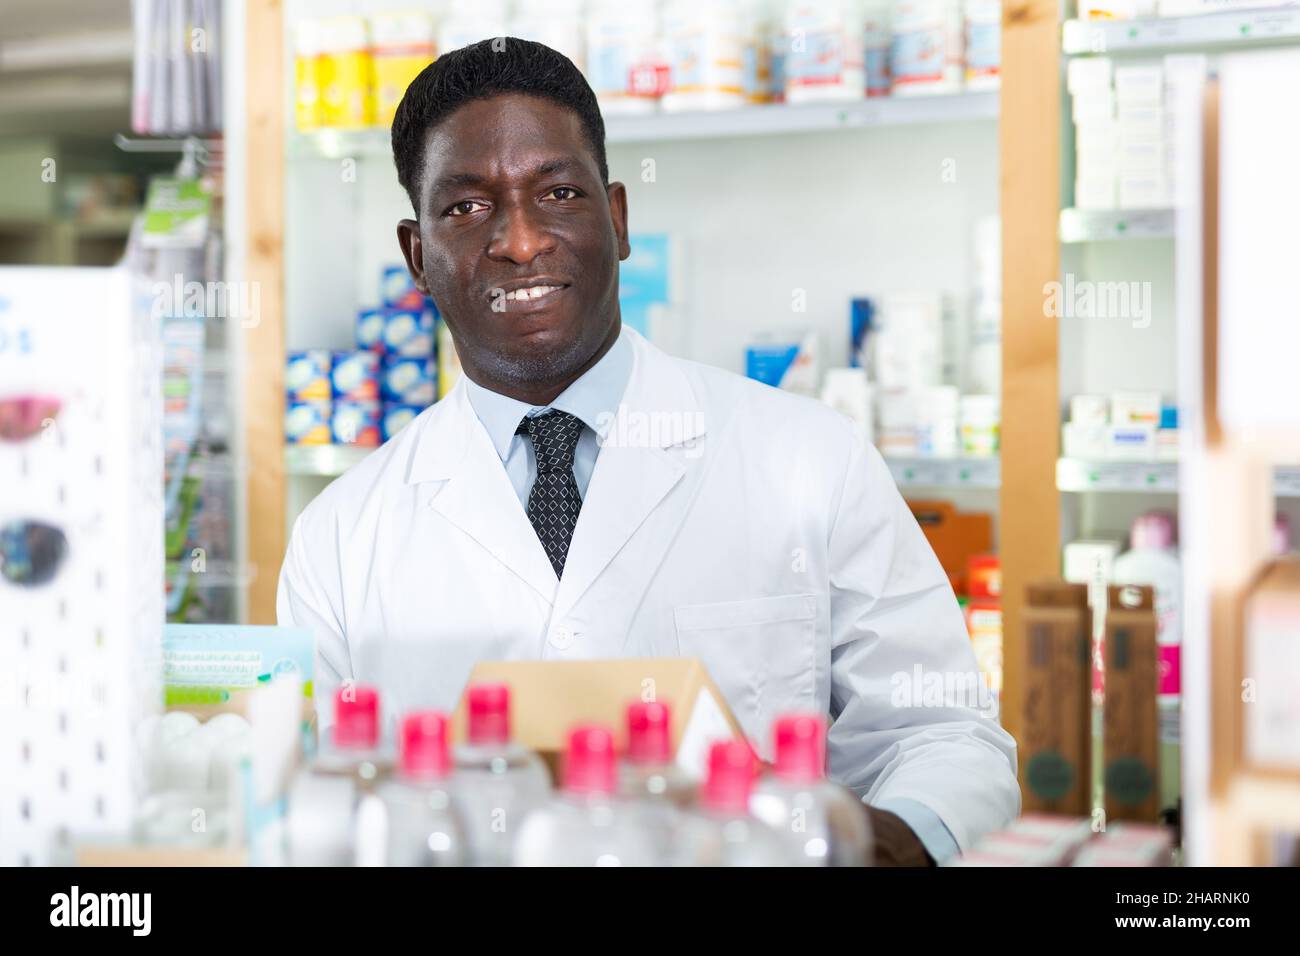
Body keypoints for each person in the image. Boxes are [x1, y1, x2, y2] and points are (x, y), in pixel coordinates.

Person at [277, 38, 1018, 866]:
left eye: (557, 192)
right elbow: (314, 807)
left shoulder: (809, 459)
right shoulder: (339, 538)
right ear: (418, 255)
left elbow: (944, 732)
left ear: (618, 218)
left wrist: (890, 841)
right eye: (467, 207)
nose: (520, 241)